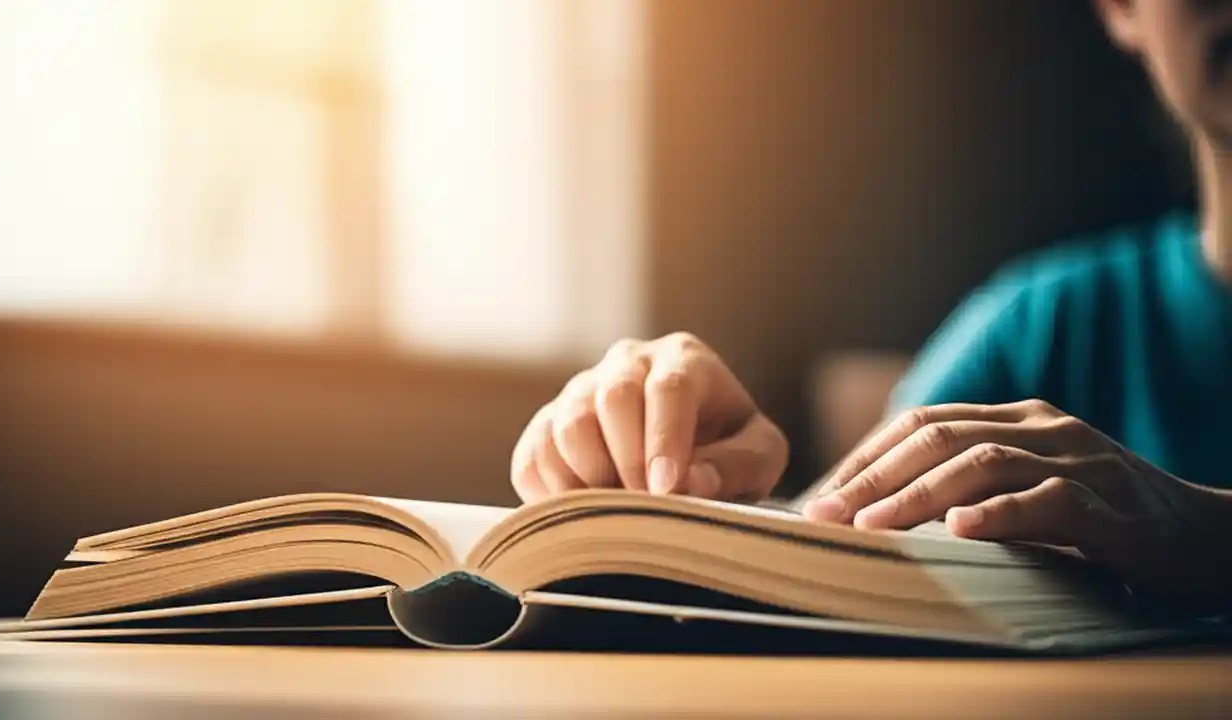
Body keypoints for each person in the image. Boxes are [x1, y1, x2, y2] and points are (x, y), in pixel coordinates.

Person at [509, 0, 1232, 607]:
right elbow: (843, 541)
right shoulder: (1043, 322)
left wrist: (1207, 532)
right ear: (1122, 7)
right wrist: (692, 499)